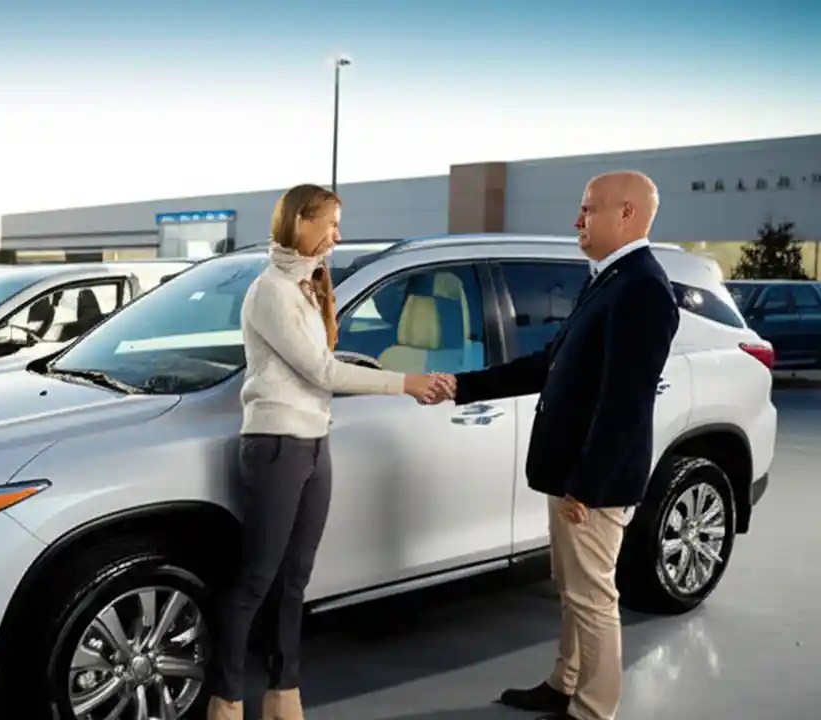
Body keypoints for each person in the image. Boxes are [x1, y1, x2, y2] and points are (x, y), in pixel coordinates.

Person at [432, 171, 679, 720]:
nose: (577, 220)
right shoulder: (610, 279)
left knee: (593, 600)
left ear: (627, 215)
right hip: (572, 472)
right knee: (571, 590)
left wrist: (586, 488)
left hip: (591, 483)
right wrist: (465, 387)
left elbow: (624, 404)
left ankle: (593, 709)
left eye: (588, 209)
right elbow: (553, 365)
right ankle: (565, 682)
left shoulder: (641, 289)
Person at [207, 183, 452, 720]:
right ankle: (224, 700)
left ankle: (283, 694)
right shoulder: (270, 290)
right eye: (332, 223)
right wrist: (405, 383)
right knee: (255, 581)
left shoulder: (308, 286)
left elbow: (322, 369)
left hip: (314, 443)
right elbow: (319, 371)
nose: (339, 235)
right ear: (300, 222)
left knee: (296, 580)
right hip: (277, 445)